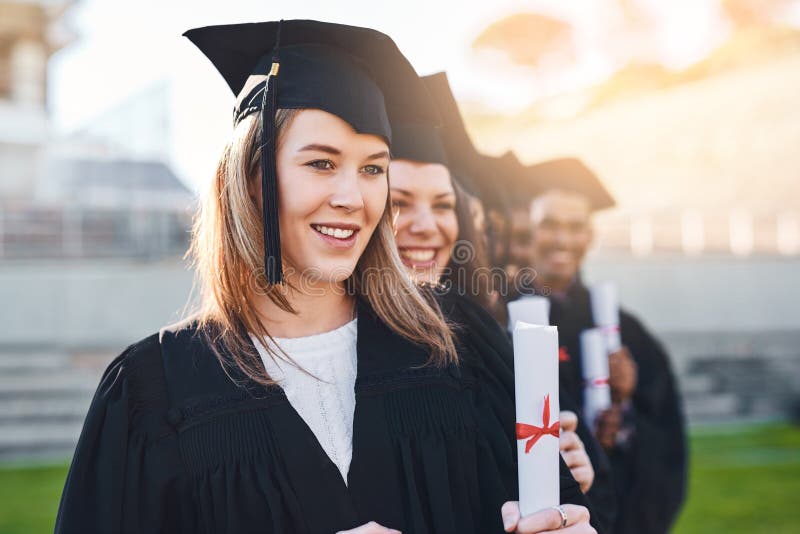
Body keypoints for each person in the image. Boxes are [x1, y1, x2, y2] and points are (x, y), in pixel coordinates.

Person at [54, 21, 597, 534]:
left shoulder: (454, 343)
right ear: (250, 178)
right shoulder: (155, 390)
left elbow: (553, 507)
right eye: (320, 163)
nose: (351, 197)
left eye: (372, 168)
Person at [389, 72, 604, 514]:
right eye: (398, 202)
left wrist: (568, 480)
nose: (426, 225)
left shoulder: (487, 344)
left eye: (444, 204)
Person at [507, 158, 687, 534]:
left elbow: (666, 436)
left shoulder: (627, 331)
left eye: (575, 227)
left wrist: (625, 416)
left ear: (589, 236)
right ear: (527, 230)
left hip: (614, 512)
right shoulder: (497, 319)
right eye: (549, 225)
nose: (562, 239)